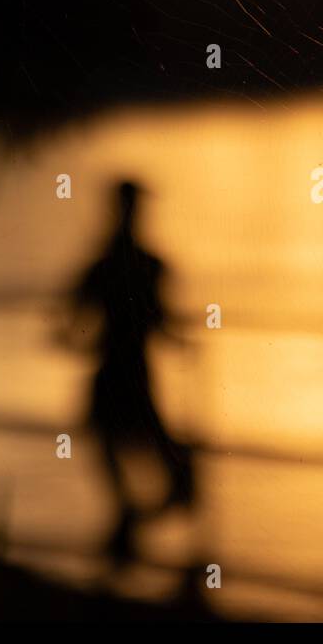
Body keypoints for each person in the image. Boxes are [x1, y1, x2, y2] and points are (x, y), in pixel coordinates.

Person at [68, 180, 193, 564]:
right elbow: (164, 325)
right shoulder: (151, 266)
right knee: (170, 471)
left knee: (116, 461)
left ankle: (126, 531)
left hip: (110, 377)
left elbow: (75, 330)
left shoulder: (99, 267)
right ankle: (131, 530)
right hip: (135, 377)